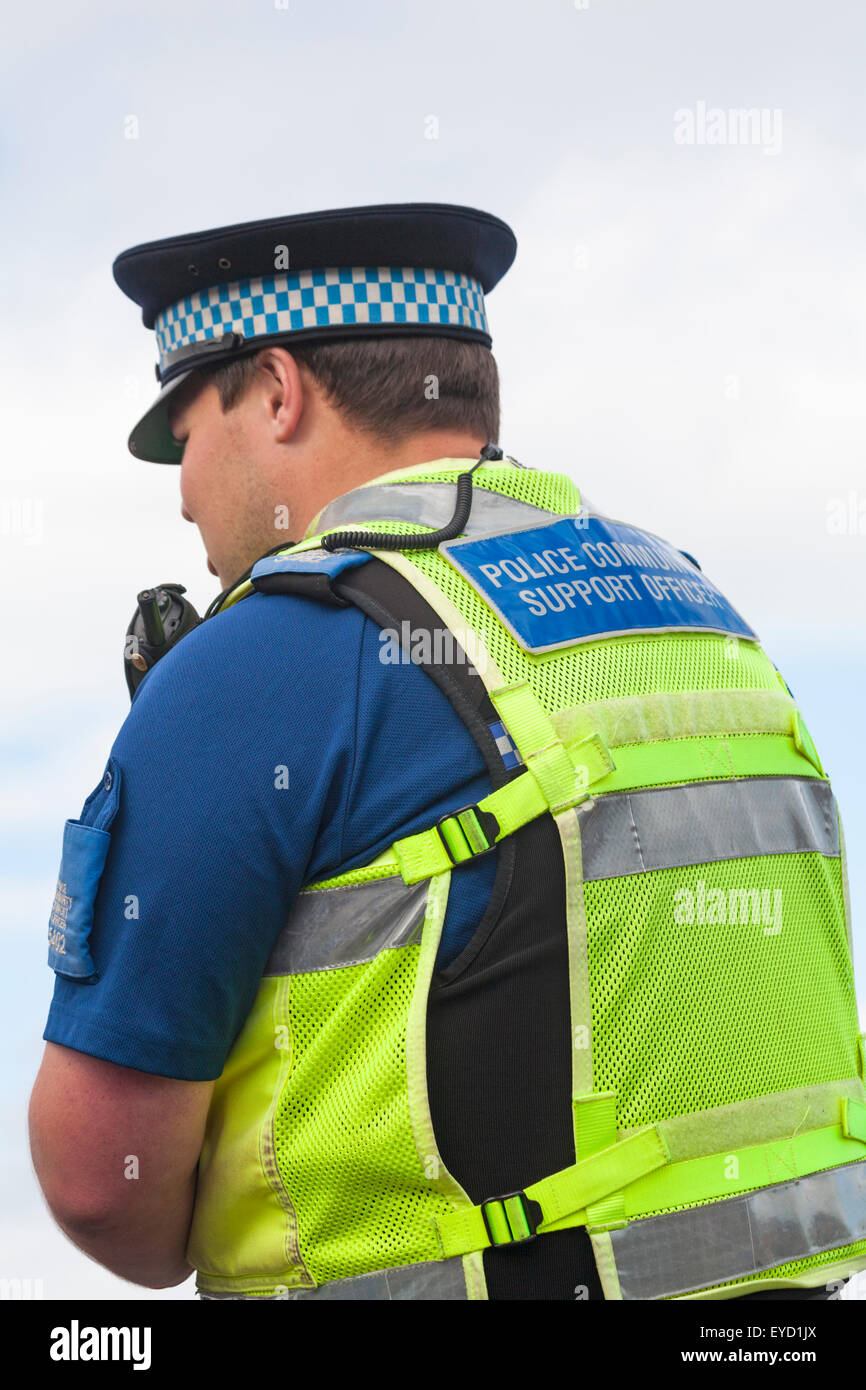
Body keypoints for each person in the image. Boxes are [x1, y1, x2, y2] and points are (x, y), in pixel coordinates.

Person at [29, 203, 866, 1301]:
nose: (182, 491)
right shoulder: (697, 613)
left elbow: (107, 1190)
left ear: (276, 392)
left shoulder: (259, 662)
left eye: (185, 432)